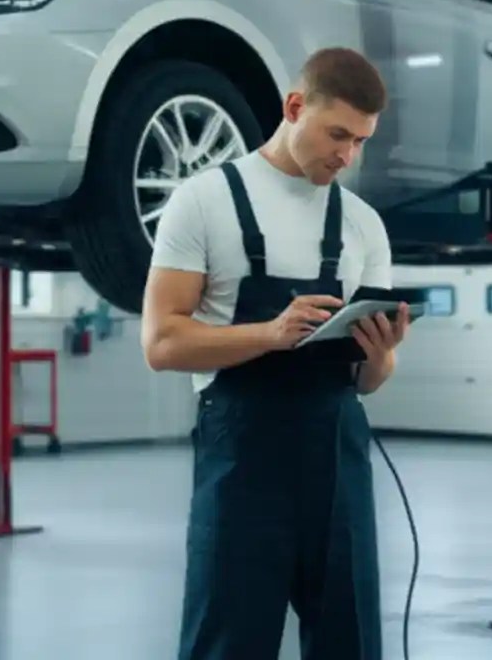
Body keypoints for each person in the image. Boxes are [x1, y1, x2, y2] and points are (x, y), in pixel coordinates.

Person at [141, 47, 411, 660]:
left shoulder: (362, 224)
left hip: (338, 456)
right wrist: (269, 334)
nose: (347, 155)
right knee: (226, 642)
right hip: (242, 458)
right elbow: (161, 343)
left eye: (361, 141)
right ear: (295, 107)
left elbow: (369, 383)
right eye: (337, 133)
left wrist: (381, 352)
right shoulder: (203, 202)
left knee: (351, 641)